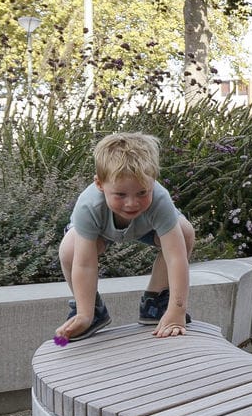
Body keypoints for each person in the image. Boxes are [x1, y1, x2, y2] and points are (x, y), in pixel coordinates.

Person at [55, 131, 195, 342]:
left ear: (153, 181)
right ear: (100, 184)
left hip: (147, 227)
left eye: (142, 193)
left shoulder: (159, 198)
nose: (132, 203)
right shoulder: (89, 205)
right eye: (120, 194)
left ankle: (155, 302)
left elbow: (176, 257)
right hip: (101, 233)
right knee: (70, 250)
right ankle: (91, 310)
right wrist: (84, 313)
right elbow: (84, 264)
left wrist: (177, 311)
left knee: (184, 233)